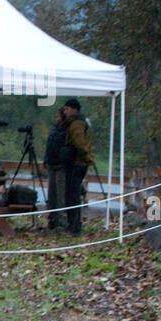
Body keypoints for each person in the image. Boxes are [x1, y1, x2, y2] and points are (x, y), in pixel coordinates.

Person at [62, 97, 94, 234]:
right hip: (78, 162)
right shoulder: (81, 122)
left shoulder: (76, 123)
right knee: (72, 193)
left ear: (74, 109)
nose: (65, 111)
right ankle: (73, 224)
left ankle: (74, 226)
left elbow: (79, 143)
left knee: (73, 194)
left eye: (67, 109)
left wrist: (85, 155)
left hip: (76, 162)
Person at [43, 108, 72, 232]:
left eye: (58, 116)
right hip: (51, 165)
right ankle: (52, 220)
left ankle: (61, 222)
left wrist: (62, 160)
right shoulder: (54, 130)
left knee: (60, 196)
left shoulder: (66, 131)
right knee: (52, 195)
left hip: (60, 167)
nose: (56, 119)